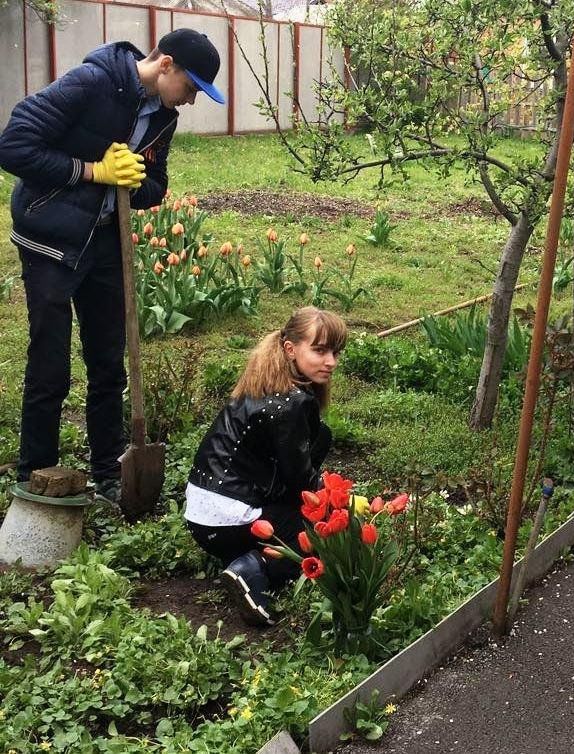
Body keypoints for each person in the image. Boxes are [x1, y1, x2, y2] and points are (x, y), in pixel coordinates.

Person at [0, 29, 225, 504]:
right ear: (165, 65)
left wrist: (134, 179)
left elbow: (155, 186)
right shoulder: (90, 83)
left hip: (104, 240)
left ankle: (107, 472)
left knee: (108, 363)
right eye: (191, 87)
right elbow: (14, 145)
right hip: (50, 239)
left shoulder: (163, 118)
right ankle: (35, 475)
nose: (189, 101)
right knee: (50, 363)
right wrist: (92, 171)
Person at [185, 307, 347, 626]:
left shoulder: (260, 386)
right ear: (290, 349)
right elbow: (299, 480)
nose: (331, 362)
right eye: (320, 350)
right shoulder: (292, 403)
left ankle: (243, 555)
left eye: (335, 352)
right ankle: (253, 567)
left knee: (323, 436)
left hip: (202, 518)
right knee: (327, 541)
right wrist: (334, 505)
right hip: (233, 520)